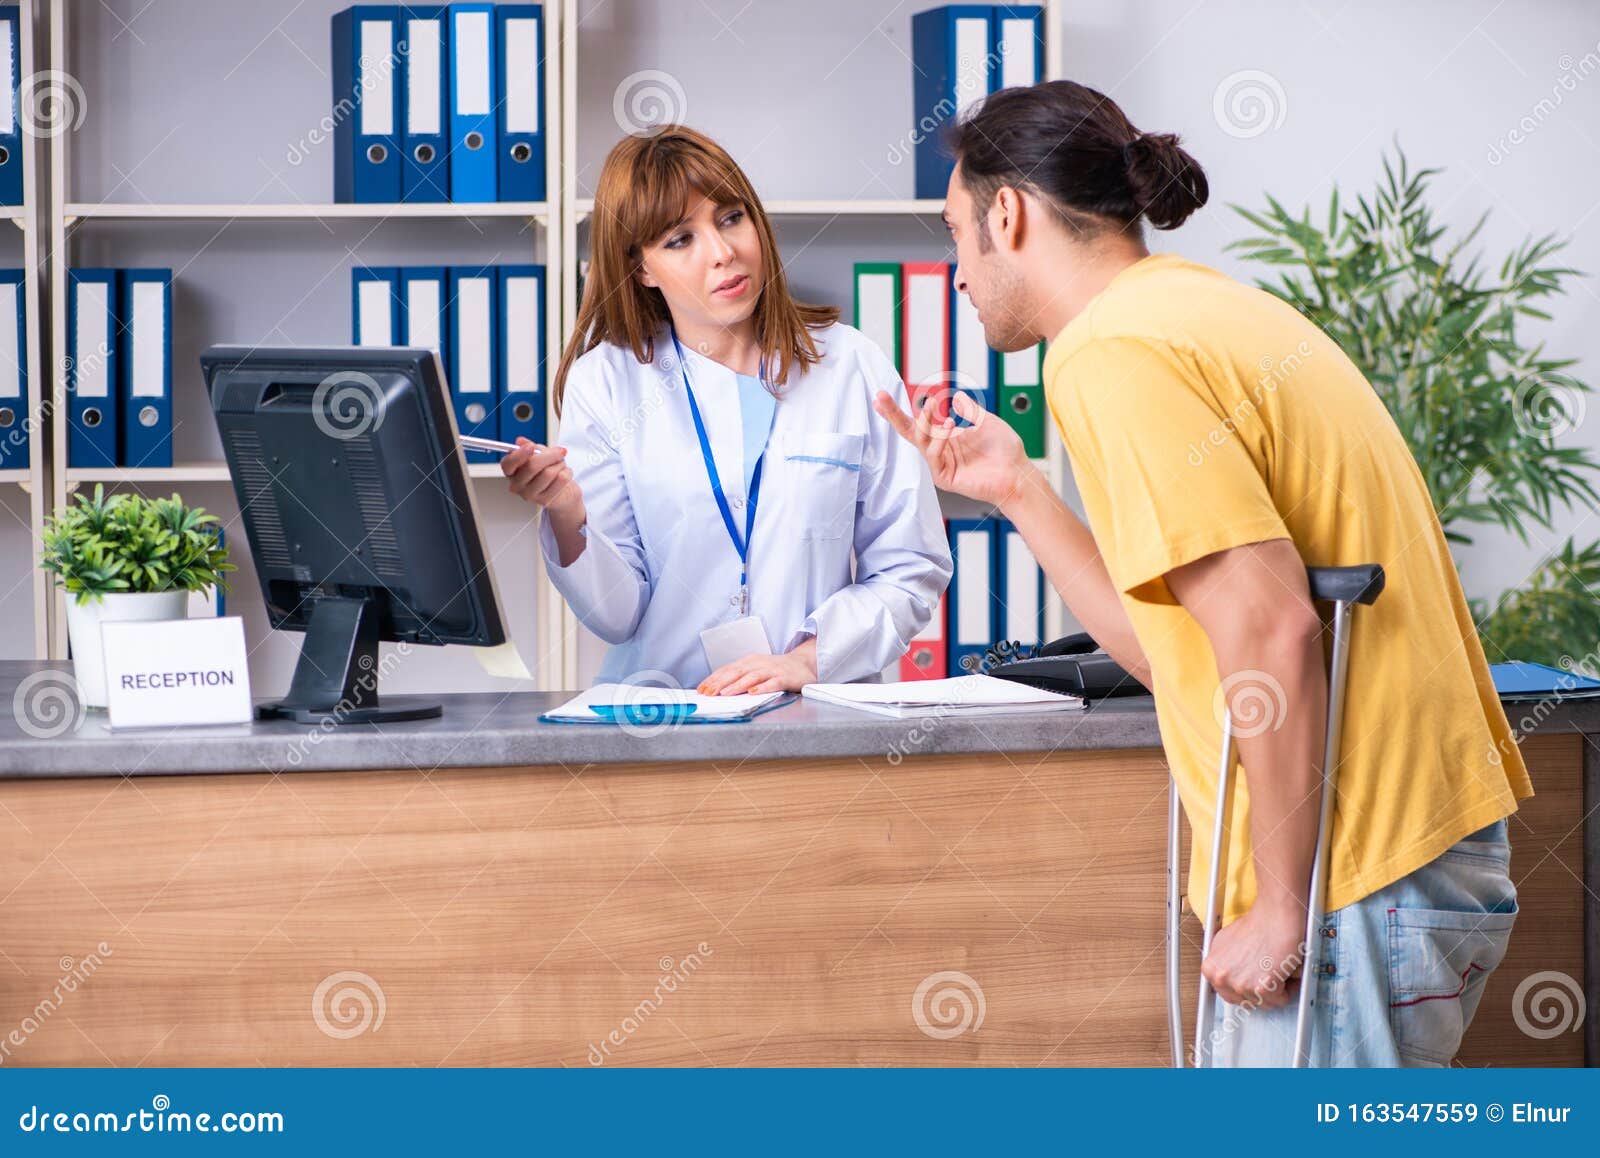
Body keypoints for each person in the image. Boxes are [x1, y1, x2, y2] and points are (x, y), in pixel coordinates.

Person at [876, 80, 1532, 1066]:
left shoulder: (1113, 352)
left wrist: (1278, 906)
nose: (956, 272)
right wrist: (1016, 489)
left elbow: (1272, 629)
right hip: (1408, 856)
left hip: (1352, 877)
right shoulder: (1198, 313)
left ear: (1005, 214)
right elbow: (1172, 652)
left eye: (957, 232)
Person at [503, 125, 951, 694]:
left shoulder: (851, 363)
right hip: (664, 715)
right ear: (641, 268)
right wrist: (568, 513)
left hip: (817, 715)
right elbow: (616, 615)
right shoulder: (609, 381)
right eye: (679, 239)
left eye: (731, 218)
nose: (723, 253)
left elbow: (912, 565)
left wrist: (807, 661)